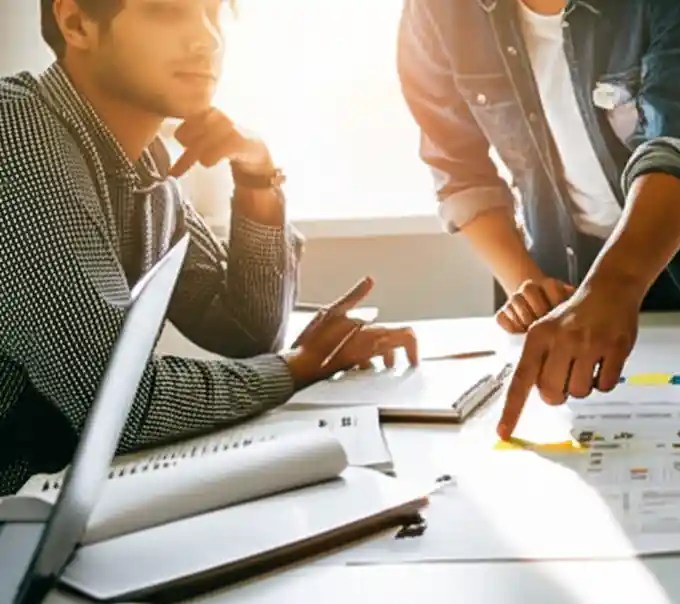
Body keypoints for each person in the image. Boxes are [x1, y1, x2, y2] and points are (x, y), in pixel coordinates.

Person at [0, 0, 417, 494]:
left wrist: (257, 174)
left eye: (214, 13)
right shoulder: (18, 137)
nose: (208, 38)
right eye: (167, 11)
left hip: (49, 508)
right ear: (77, 23)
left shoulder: (147, 165)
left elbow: (247, 332)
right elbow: (121, 405)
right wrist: (300, 367)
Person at [397, 0, 680, 437]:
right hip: (560, 283)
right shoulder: (435, 11)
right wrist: (525, 285)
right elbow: (458, 169)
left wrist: (613, 288)